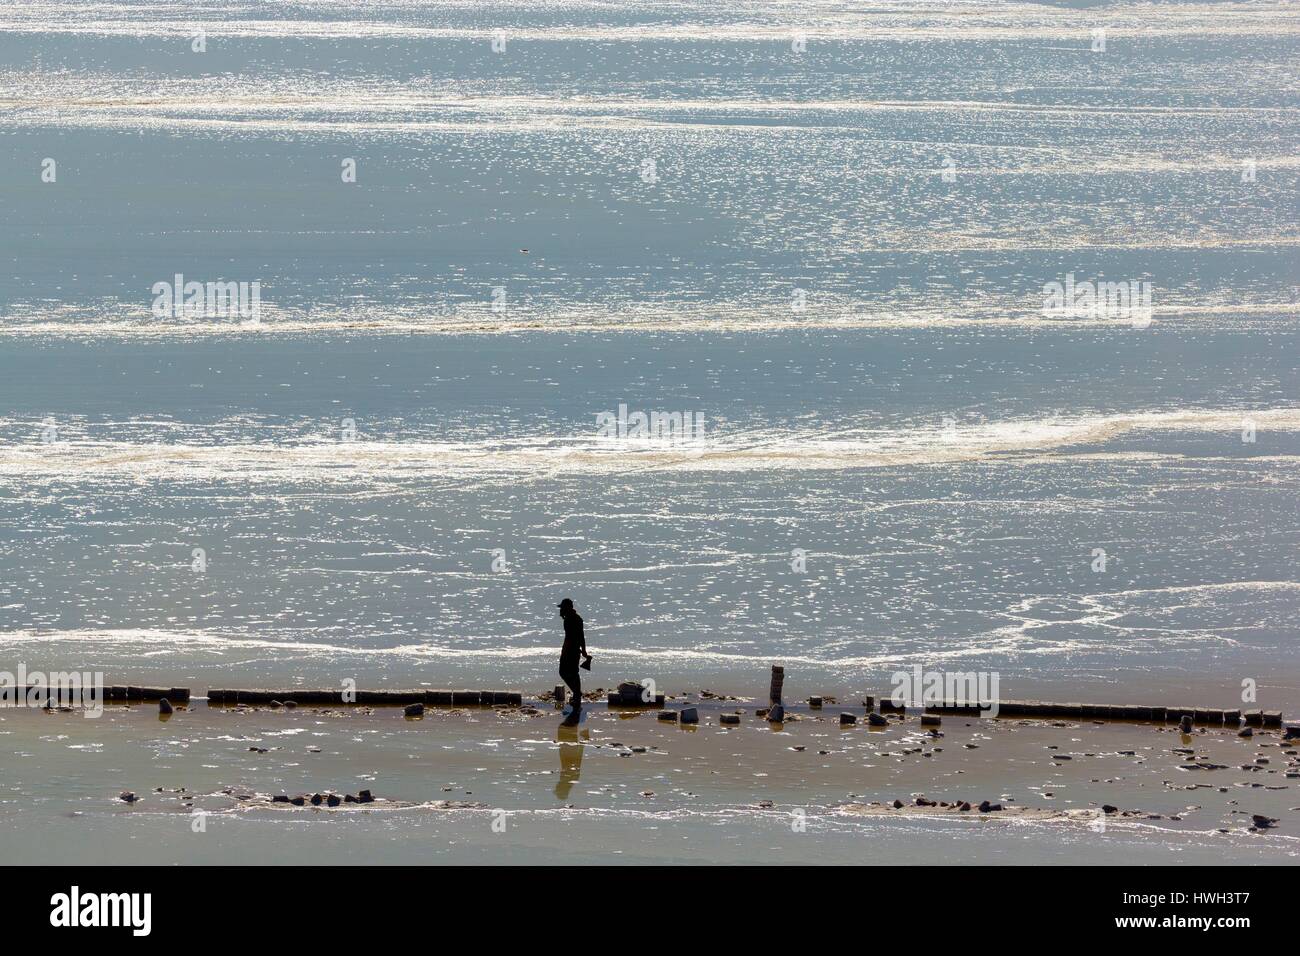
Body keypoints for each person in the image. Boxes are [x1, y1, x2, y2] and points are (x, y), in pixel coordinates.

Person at [556, 598, 589, 714]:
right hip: (575, 650)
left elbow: (574, 637)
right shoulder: (577, 619)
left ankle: (577, 694)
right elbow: (582, 636)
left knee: (563, 672)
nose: (560, 611)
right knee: (574, 673)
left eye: (562, 608)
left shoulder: (569, 620)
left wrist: (566, 650)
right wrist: (583, 650)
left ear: (567, 608)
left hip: (569, 650)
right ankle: (577, 695)